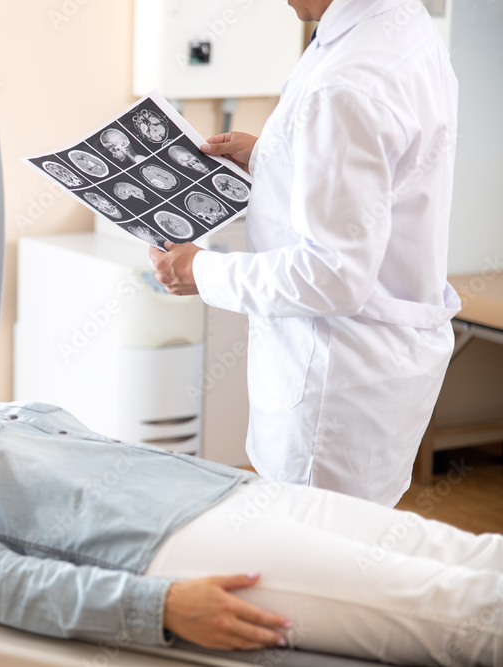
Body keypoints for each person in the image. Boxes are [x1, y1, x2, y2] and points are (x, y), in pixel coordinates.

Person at [0, 379, 503, 666]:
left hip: (229, 494)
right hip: (174, 548)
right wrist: (158, 608)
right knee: (455, 611)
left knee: (474, 556)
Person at [148, 0, 460, 507]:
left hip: (333, 388)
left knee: (309, 557)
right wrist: (277, 153)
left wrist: (199, 271)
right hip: (372, 368)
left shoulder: (345, 82)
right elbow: (382, 172)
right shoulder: (403, 26)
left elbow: (331, 275)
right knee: (341, 550)